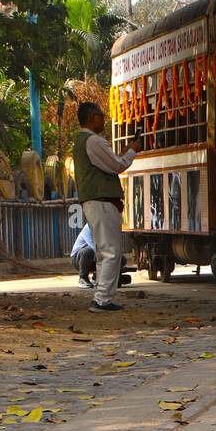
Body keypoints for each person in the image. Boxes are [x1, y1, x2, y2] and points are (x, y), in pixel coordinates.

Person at [73, 101, 140, 313]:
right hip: (101, 202)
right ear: (92, 117)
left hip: (95, 201)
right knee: (111, 252)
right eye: (101, 115)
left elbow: (108, 164)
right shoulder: (93, 140)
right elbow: (117, 165)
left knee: (104, 252)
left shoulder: (83, 141)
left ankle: (102, 297)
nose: (104, 118)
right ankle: (103, 299)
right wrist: (132, 151)